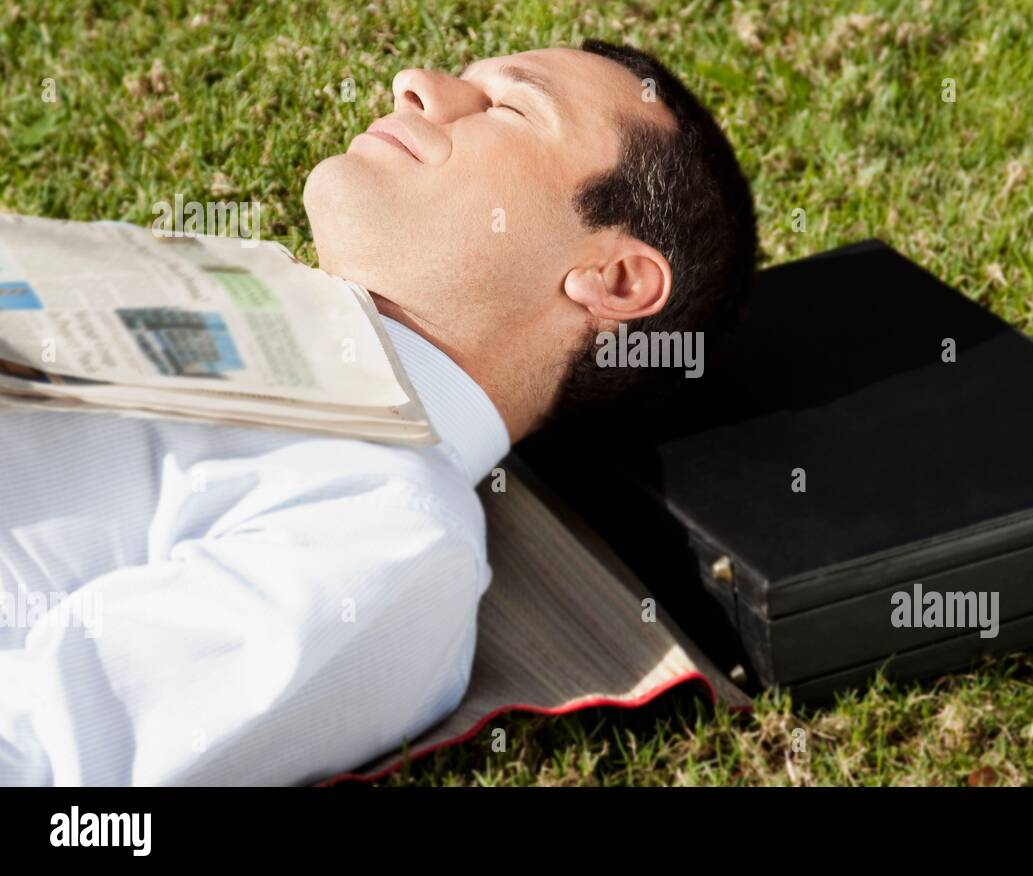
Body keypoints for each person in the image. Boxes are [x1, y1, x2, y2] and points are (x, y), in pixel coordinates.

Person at [0, 40, 757, 785]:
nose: (415, 84)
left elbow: (43, 760)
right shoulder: (187, 293)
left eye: (509, 108)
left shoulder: (390, 524)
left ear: (614, 281)